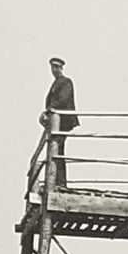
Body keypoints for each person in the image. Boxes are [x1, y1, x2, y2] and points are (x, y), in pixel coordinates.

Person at [39, 57, 79, 187]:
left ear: (61, 68)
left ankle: (60, 182)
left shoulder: (66, 82)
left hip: (64, 122)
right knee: (57, 151)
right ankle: (58, 181)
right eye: (52, 67)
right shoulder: (56, 83)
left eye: (56, 67)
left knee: (58, 151)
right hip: (57, 122)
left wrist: (51, 108)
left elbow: (62, 99)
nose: (54, 70)